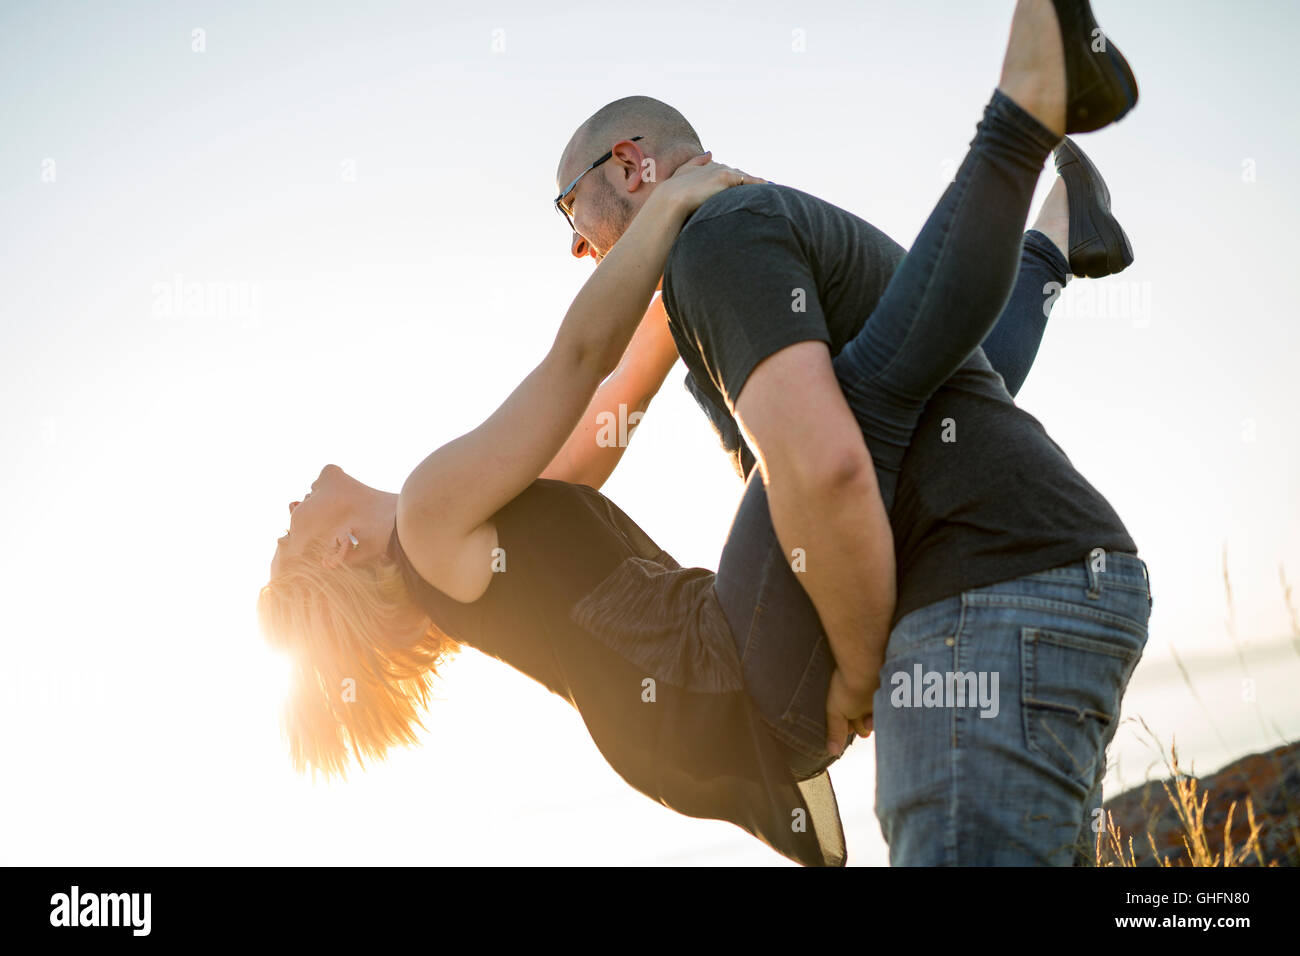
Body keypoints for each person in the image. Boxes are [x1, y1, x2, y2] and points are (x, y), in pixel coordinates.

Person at [260, 0, 1147, 866]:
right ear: (339, 550)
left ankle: (1058, 238)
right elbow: (576, 360)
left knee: (896, 405)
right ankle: (1027, 107)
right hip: (713, 675)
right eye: (286, 538)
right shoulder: (425, 517)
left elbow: (612, 398)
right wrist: (680, 203)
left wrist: (712, 273)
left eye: (574, 217)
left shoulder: (462, 537)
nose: (288, 511)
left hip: (704, 708)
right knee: (850, 403)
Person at [552, 0, 1149, 865]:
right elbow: (798, 472)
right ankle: (1050, 227)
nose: (577, 250)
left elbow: (824, 476)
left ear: (633, 164)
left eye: (571, 214)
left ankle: (1027, 111)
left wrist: (858, 670)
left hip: (989, 598)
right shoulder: (734, 249)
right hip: (1034, 582)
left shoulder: (715, 240)